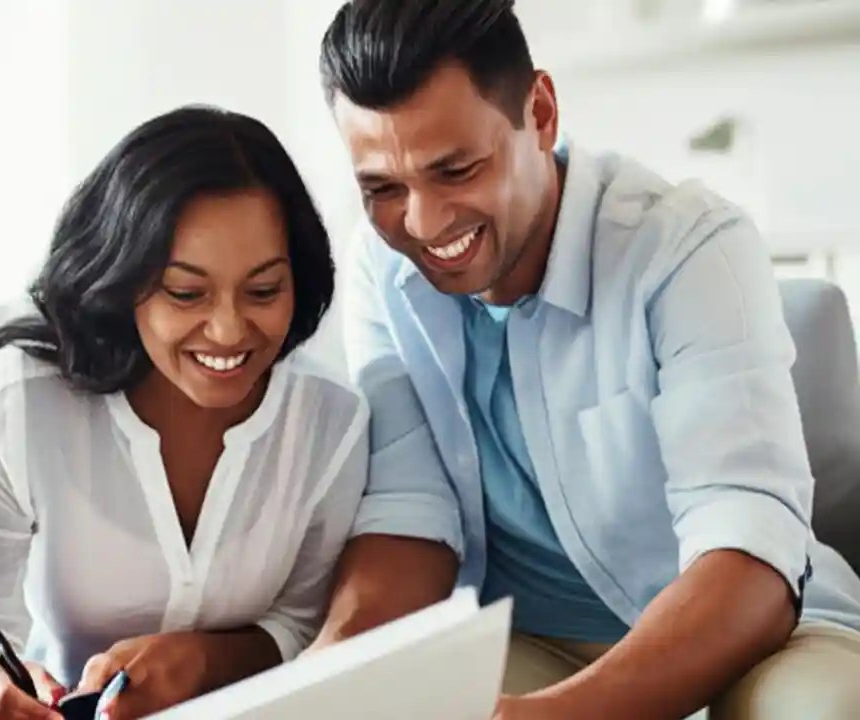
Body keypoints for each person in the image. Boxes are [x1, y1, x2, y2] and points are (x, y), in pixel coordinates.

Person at [310, 1, 860, 718]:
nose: (423, 222)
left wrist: (561, 716)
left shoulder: (690, 248)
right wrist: (318, 678)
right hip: (524, 638)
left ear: (539, 113)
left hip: (754, 634)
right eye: (383, 188)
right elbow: (411, 520)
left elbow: (750, 553)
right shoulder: (381, 268)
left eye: (457, 169)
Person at [0, 106, 368, 720]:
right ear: (126, 277)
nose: (228, 329)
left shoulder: (329, 424)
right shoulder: (21, 399)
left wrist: (198, 659)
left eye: (264, 291)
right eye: (186, 293)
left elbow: (299, 626)